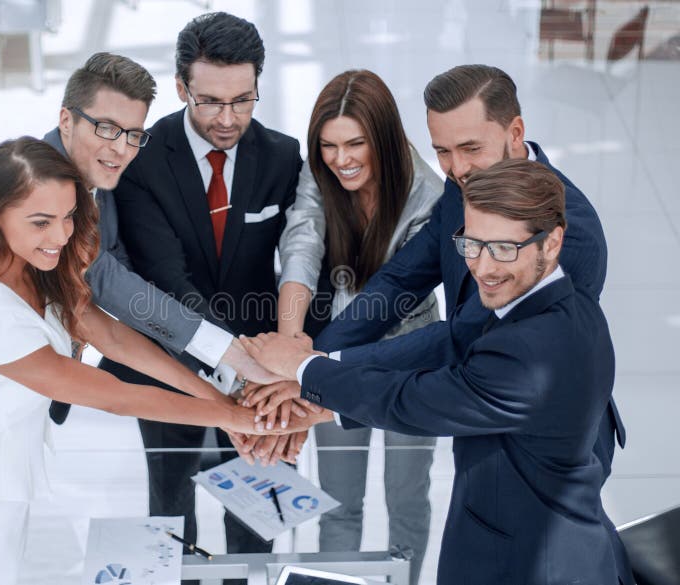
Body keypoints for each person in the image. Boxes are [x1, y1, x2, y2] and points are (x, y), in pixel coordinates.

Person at [241, 159, 635, 585]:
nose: (483, 268)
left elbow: (410, 400)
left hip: (532, 566)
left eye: (503, 248)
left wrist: (303, 367)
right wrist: (318, 387)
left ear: (552, 243)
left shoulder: (532, 355)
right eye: (472, 244)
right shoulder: (545, 303)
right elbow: (448, 342)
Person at [0, 137, 260, 585]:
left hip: (3, 483)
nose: (60, 236)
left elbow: (113, 336)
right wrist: (234, 417)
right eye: (41, 222)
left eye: (68, 217)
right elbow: (113, 396)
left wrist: (217, 397)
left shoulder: (34, 272)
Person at [0, 52, 277, 441]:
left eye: (133, 135)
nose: (121, 149)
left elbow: (109, 323)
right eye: (106, 128)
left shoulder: (96, 185)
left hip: (28, 406)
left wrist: (222, 400)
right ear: (66, 120)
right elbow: (105, 281)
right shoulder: (34, 192)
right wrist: (229, 359)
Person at [311, 65, 625, 482]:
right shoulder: (468, 185)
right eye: (442, 150)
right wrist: (316, 355)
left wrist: (318, 372)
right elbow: (403, 277)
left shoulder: (570, 234)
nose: (456, 168)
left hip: (544, 450)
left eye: (470, 147)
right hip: (484, 420)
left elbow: (462, 337)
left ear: (515, 133)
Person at [106, 12, 303, 558]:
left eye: (243, 100)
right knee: (170, 505)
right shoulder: (143, 158)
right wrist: (227, 365)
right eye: (211, 100)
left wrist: (282, 365)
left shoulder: (283, 156)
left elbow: (302, 259)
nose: (227, 118)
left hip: (263, 367)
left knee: (259, 506)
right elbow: (167, 277)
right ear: (180, 88)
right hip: (171, 356)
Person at [276, 69, 442, 583]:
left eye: (355, 143)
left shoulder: (427, 192)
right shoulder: (319, 174)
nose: (340, 159)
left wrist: (309, 365)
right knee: (338, 499)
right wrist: (288, 343)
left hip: (408, 357)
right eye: (328, 145)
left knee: (406, 496)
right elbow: (301, 246)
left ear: (384, 139)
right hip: (332, 348)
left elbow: (390, 296)